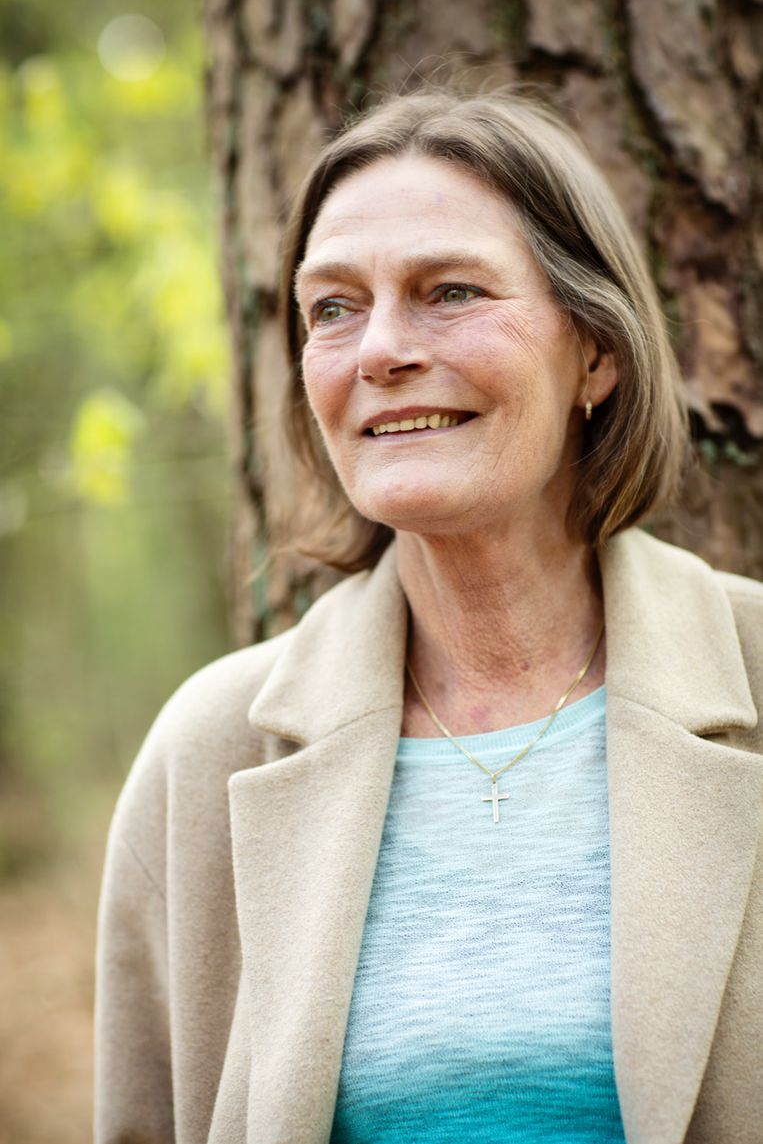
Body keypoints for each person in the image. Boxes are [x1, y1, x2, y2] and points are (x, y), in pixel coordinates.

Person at [94, 88, 763, 1144]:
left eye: (448, 291)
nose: (379, 351)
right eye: (333, 307)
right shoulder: (210, 750)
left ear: (595, 350)